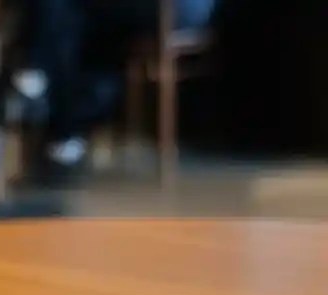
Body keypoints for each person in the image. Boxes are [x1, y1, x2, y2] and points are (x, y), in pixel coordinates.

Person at [13, 0, 216, 176]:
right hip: (187, 9)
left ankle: (38, 83)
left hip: (174, 9)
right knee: (83, 24)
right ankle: (62, 126)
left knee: (68, 13)